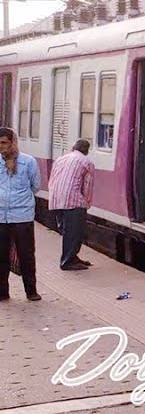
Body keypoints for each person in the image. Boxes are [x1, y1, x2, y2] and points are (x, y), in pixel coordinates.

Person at [0, 127, 42, 301]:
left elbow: (36, 186)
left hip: (22, 216)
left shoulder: (28, 162)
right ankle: (2, 292)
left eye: (4, 143)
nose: (1, 147)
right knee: (1, 256)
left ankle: (31, 291)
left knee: (26, 255)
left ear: (13, 142)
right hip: (1, 217)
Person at [47, 138, 95, 271]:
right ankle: (67, 261)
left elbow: (52, 179)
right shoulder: (86, 162)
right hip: (73, 201)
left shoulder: (60, 159)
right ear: (86, 151)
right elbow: (87, 186)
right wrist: (86, 203)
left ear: (73, 148)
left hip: (56, 200)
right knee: (74, 233)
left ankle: (72, 257)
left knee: (67, 232)